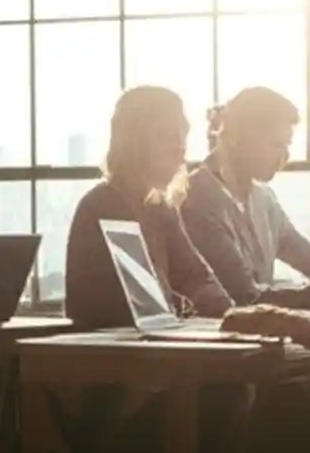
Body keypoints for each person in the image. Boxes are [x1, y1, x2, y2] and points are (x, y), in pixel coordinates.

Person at [65, 86, 234, 327]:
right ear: (134, 140)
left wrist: (236, 318)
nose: (180, 146)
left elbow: (196, 278)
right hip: (108, 354)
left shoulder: (159, 207)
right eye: (166, 135)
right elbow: (146, 307)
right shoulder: (105, 205)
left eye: (182, 134)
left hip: (144, 348)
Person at [182, 87, 310, 304]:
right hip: (215, 330)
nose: (285, 156)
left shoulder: (265, 201)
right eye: (277, 145)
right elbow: (242, 293)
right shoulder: (195, 197)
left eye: (287, 146)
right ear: (237, 137)